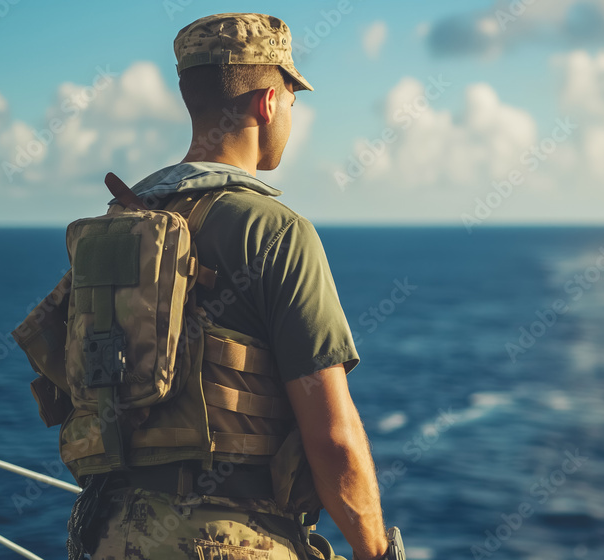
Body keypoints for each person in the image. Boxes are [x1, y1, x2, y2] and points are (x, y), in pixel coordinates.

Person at [84, 13, 389, 560]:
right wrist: (377, 551)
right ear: (267, 101)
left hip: (110, 533)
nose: (291, 115)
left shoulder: (118, 221)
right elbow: (333, 439)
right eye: (293, 100)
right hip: (229, 542)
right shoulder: (276, 232)